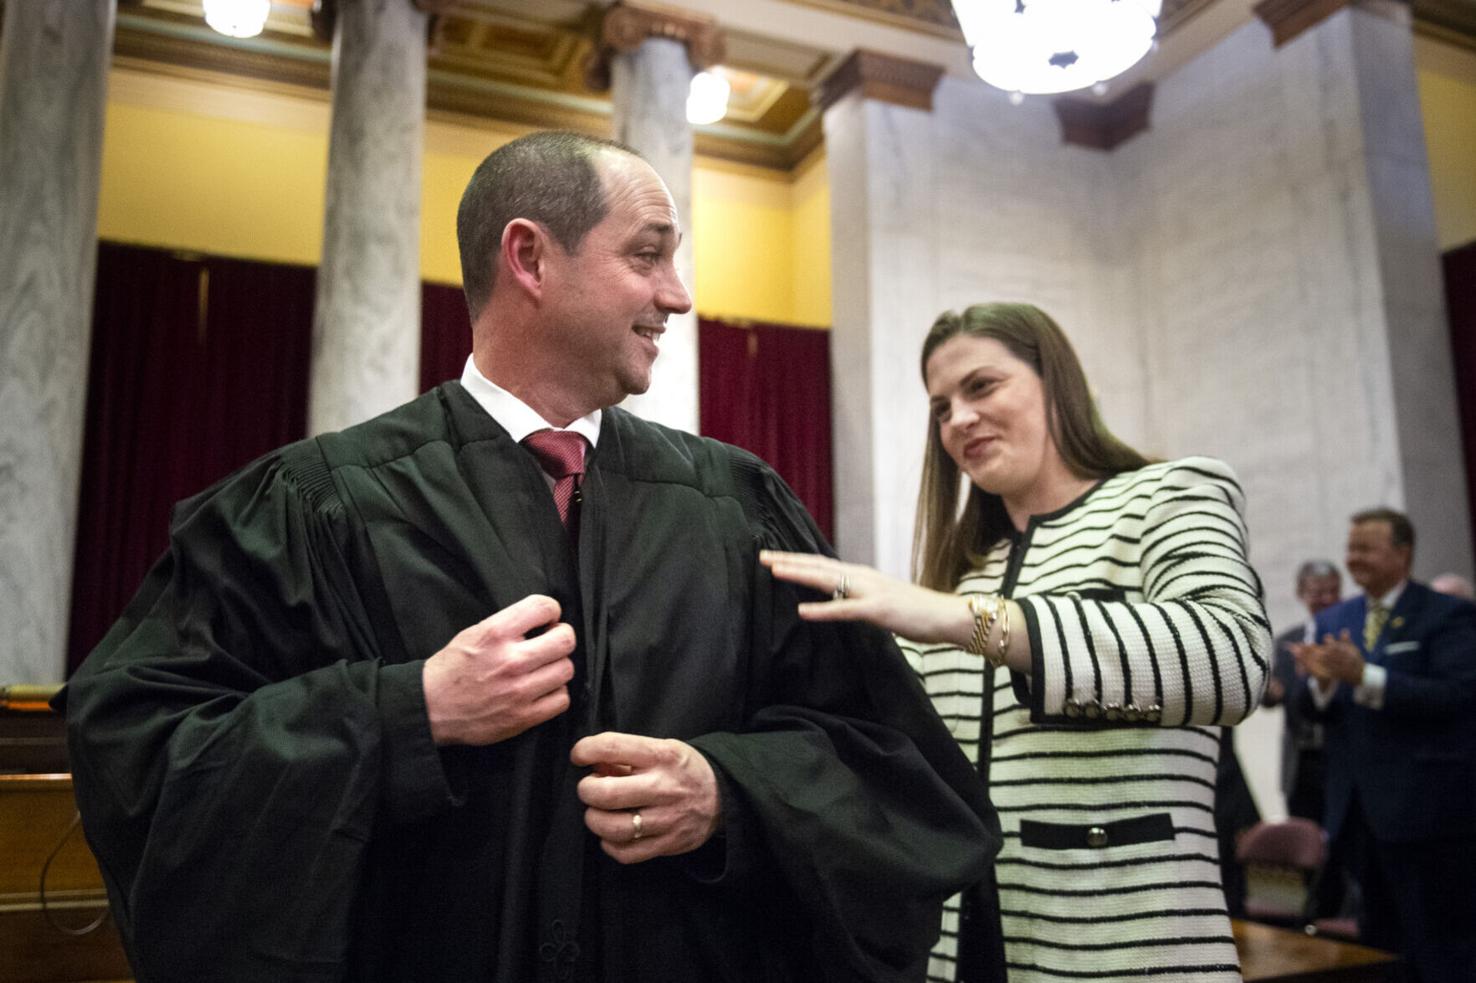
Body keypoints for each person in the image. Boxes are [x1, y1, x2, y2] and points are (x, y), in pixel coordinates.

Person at [56, 132, 998, 983]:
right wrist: (405, 712)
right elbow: (138, 748)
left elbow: (892, 766)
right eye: (647, 254)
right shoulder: (315, 505)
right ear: (530, 257)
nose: (678, 293)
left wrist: (731, 795)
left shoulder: (736, 505)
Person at [762, 302, 1271, 983]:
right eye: (941, 407)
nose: (958, 420)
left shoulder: (1169, 496)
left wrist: (970, 621)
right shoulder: (960, 577)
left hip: (1128, 955)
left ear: (1055, 382)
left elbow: (1232, 660)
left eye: (981, 386)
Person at [1294, 508, 1476, 982]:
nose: (1354, 559)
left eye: (1366, 549)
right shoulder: (1337, 618)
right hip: (1358, 816)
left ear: (1402, 552)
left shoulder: (1446, 614)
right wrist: (1322, 682)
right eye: (1350, 548)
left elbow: (1455, 697)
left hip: (1430, 817)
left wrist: (1365, 676)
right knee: (1377, 951)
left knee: (1440, 949)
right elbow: (1312, 708)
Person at [1261, 561, 1342, 821]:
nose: (1326, 599)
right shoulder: (1287, 642)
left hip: (1339, 755)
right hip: (1299, 760)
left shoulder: (1349, 639)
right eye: (1318, 593)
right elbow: (1269, 696)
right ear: (1301, 593)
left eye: (1333, 591)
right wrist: (1270, 692)